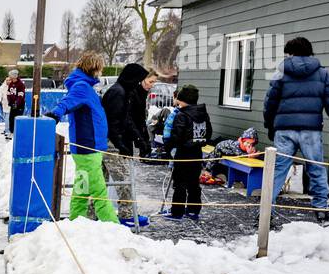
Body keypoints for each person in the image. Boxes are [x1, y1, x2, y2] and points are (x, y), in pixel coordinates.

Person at [264, 36, 329, 221]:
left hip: (284, 129)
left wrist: (270, 125)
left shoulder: (281, 72)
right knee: (316, 168)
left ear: (291, 52)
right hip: (311, 130)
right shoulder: (323, 74)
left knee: (277, 170)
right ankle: (320, 209)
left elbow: (270, 102)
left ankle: (265, 212)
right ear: (310, 51)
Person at [45, 51, 117, 223]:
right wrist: (55, 114)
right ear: (94, 69)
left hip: (87, 147)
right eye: (100, 70)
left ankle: (76, 221)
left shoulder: (83, 86)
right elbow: (67, 102)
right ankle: (113, 227)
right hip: (88, 148)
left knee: (81, 189)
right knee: (99, 191)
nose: (101, 73)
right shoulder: (82, 87)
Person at [100, 63, 151, 228]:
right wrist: (120, 144)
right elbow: (112, 123)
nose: (139, 84)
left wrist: (139, 139)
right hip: (110, 143)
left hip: (114, 141)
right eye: (138, 80)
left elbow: (126, 119)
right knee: (124, 180)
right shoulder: (117, 93)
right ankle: (126, 215)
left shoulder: (125, 92)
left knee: (102, 180)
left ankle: (93, 215)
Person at [161, 83, 212, 222]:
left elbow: (176, 136)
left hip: (183, 153)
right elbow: (209, 133)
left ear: (182, 99)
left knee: (180, 183)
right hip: (197, 153)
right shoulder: (203, 113)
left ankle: (177, 212)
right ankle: (193, 210)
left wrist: (168, 148)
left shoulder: (182, 115)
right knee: (194, 183)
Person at [3, 68, 26, 137]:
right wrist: (10, 102)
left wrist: (16, 103)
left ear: (14, 76)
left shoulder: (20, 84)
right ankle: (12, 132)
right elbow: (8, 94)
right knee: (11, 119)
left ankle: (18, 133)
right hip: (13, 105)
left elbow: (20, 95)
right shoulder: (11, 84)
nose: (10, 77)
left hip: (19, 105)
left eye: (11, 76)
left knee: (18, 118)